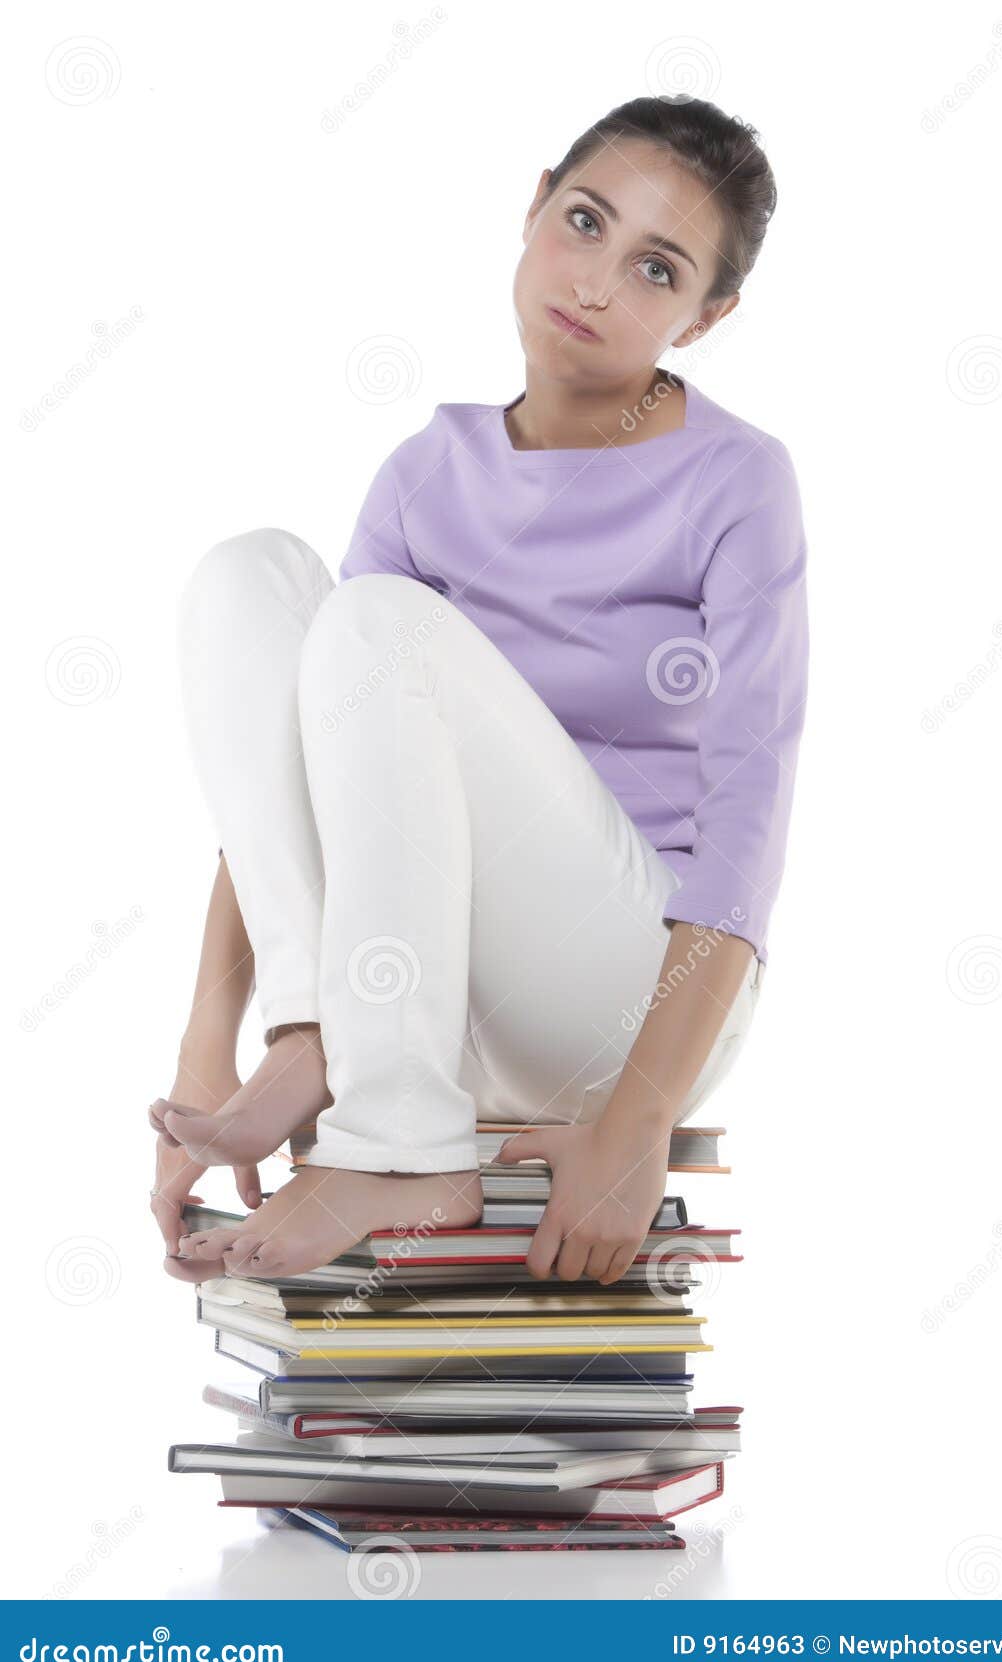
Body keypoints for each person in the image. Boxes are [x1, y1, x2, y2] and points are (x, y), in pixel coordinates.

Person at [149, 93, 809, 1287]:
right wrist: (208, 1045)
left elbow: (746, 830)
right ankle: (313, 1036)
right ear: (534, 205)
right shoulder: (425, 473)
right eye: (584, 221)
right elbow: (296, 767)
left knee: (376, 625)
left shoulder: (736, 482)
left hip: (628, 994)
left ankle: (398, 1143)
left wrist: (637, 1120)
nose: (595, 283)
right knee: (248, 580)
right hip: (427, 995)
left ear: (704, 318)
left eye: (655, 269)